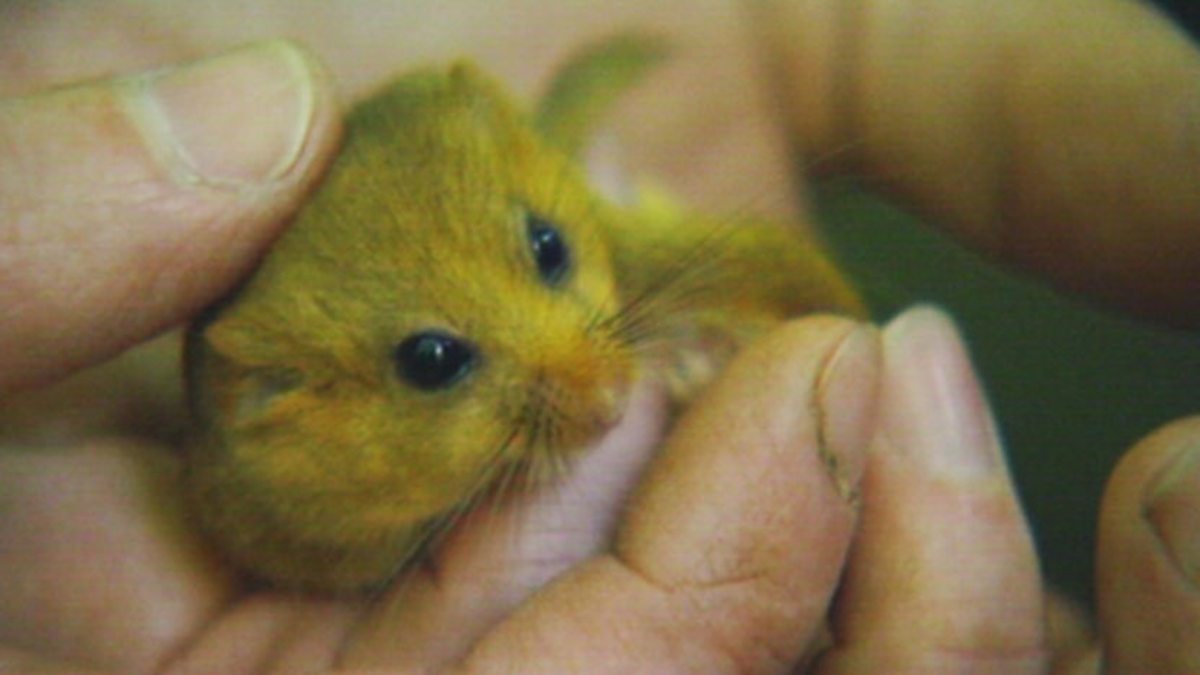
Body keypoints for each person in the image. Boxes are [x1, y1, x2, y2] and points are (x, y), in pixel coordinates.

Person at [0, 0, 1196, 671]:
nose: (589, 376)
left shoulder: (485, 143)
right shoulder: (254, 471)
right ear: (282, 400)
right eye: (436, 362)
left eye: (547, 257)